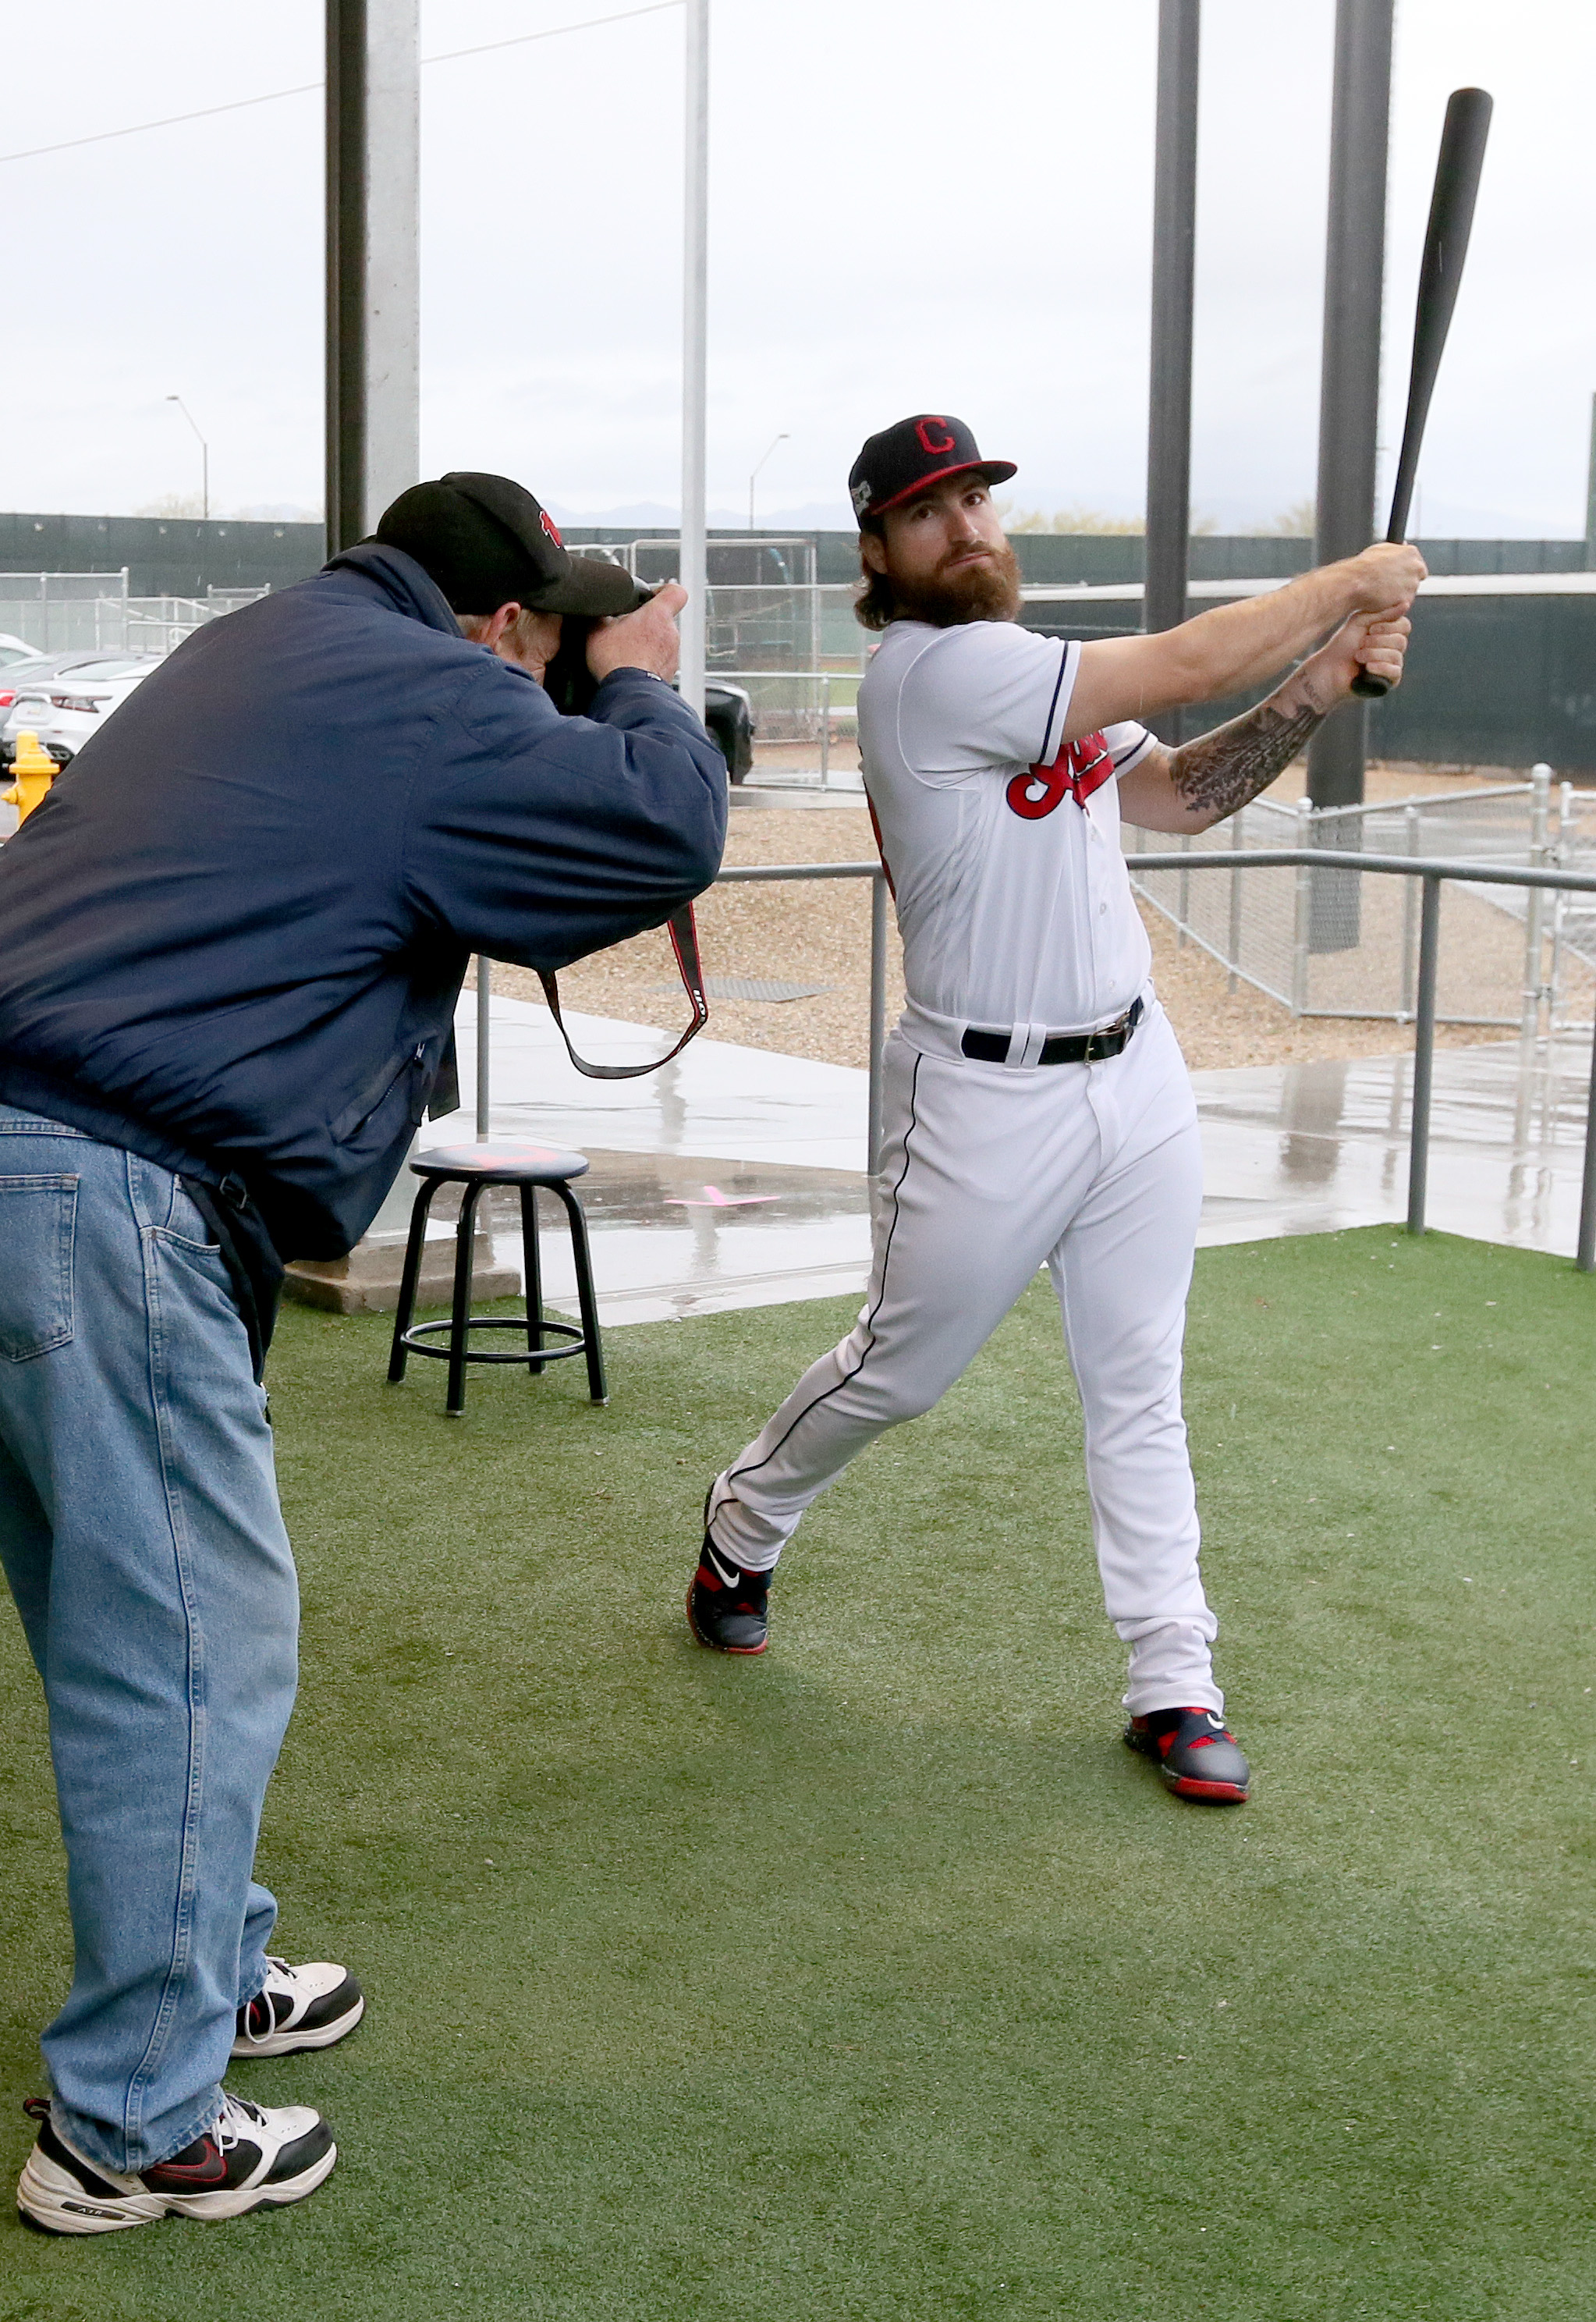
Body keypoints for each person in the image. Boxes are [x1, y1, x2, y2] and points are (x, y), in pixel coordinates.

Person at [0, 471, 725, 2232]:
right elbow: (663, 827)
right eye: (550, 632)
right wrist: (633, 677)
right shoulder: (439, 692)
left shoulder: (254, 646)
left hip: (35, 1162)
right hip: (99, 1189)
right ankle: (131, 2127)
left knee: (130, 1629)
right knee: (187, 1652)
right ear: (502, 627)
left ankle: (195, 1970)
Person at [687, 414, 1424, 1806]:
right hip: (978, 1094)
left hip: (1134, 1077)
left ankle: (1172, 1679)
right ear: (878, 553)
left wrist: (1320, 683)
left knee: (1137, 1382)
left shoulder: (1034, 675)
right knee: (897, 1371)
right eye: (927, 513)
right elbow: (1195, 659)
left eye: (975, 501)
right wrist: (1346, 584)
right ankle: (746, 1515)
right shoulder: (931, 673)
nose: (964, 529)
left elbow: (1180, 795)